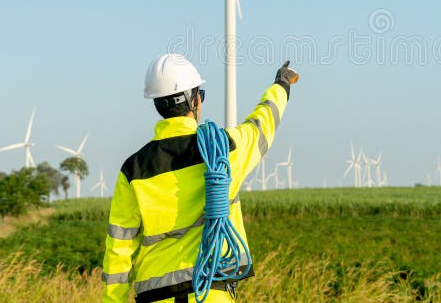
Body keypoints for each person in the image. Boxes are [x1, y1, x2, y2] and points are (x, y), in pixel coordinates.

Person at [101, 53, 299, 303]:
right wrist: (281, 84)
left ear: (157, 104)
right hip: (211, 294)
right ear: (195, 100)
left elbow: (119, 248)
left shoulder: (133, 170)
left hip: (155, 296)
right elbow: (263, 123)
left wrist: (113, 299)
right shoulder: (223, 149)